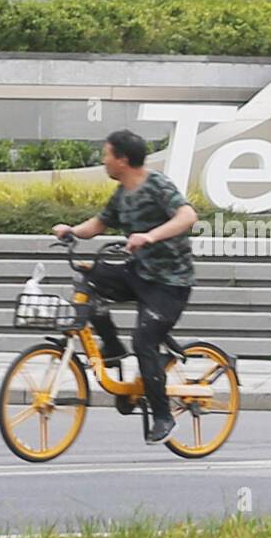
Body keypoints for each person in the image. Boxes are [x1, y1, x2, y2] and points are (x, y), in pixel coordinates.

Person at [52, 129, 198, 444]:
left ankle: (163, 416)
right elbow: (99, 224)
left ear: (122, 159)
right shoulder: (122, 193)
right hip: (139, 274)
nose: (103, 160)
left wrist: (150, 235)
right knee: (90, 279)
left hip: (170, 283)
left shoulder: (156, 185)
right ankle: (112, 347)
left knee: (144, 341)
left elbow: (188, 216)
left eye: (107, 154)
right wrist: (71, 231)